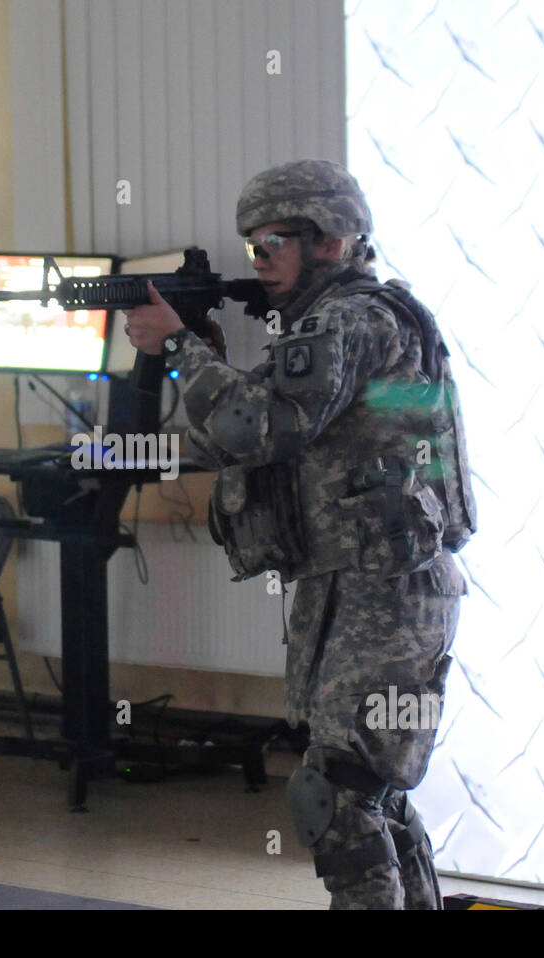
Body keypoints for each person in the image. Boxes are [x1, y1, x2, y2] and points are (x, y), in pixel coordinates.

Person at [125, 159, 474, 909]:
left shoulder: (349, 320)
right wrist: (205, 349)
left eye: (271, 244)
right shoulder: (353, 319)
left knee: (338, 796)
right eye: (253, 247)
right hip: (361, 583)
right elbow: (261, 431)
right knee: (364, 793)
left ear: (332, 239)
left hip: (385, 591)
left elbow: (259, 427)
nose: (260, 263)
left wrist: (182, 349)